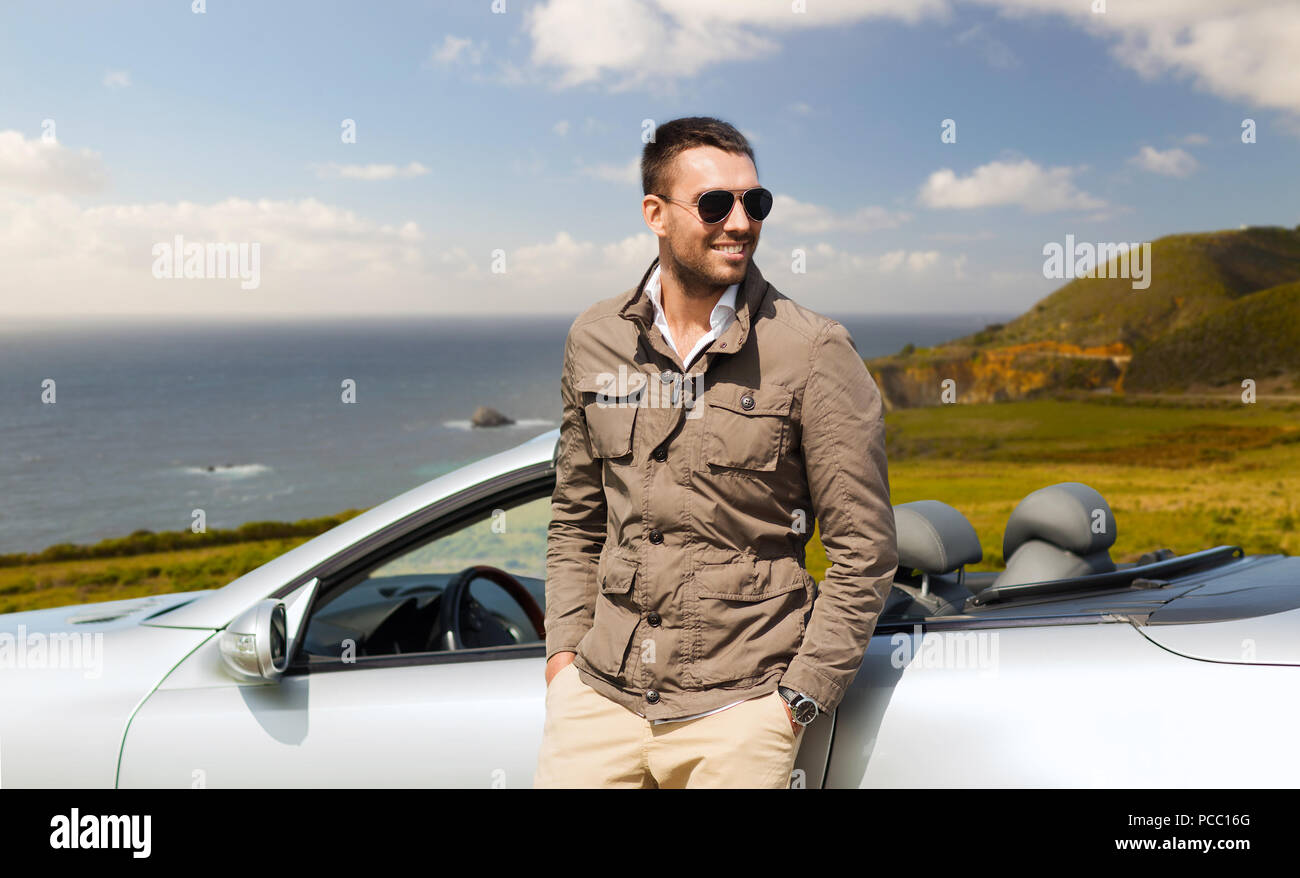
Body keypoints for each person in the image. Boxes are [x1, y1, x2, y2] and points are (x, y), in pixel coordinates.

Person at [534, 116, 897, 788]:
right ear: (656, 214)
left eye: (754, 202)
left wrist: (796, 701)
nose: (740, 222)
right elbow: (577, 519)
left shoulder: (814, 351)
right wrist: (564, 660)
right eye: (714, 204)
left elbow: (864, 550)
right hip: (598, 701)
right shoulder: (595, 338)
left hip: (741, 713)